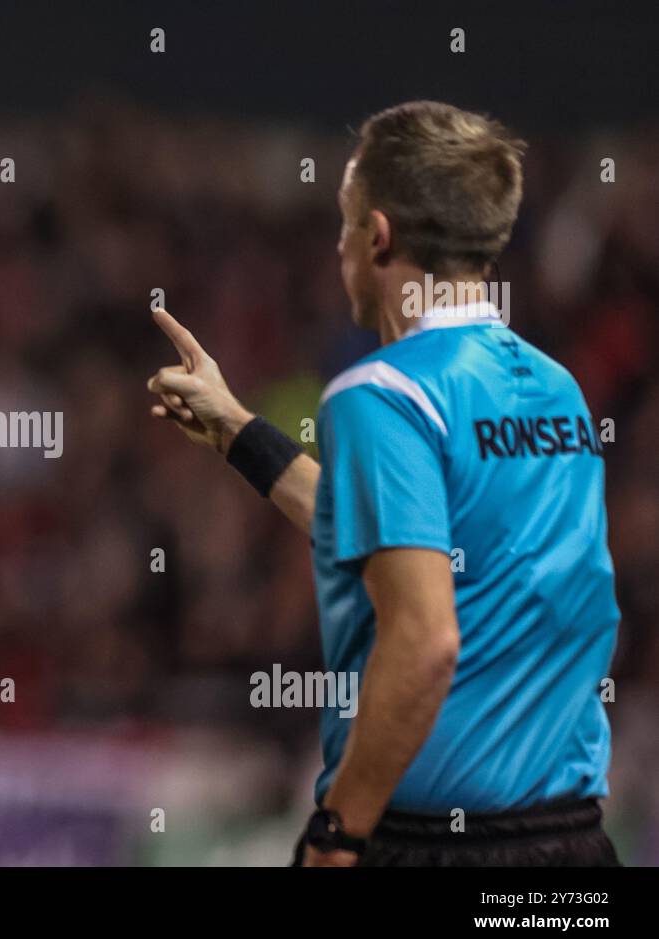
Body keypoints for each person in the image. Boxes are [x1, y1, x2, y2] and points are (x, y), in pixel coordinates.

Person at [147, 101, 620, 866]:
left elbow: (427, 638)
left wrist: (338, 831)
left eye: (344, 221)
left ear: (378, 236)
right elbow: (399, 542)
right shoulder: (553, 387)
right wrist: (237, 430)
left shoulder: (380, 394)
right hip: (571, 852)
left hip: (437, 848)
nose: (338, 246)